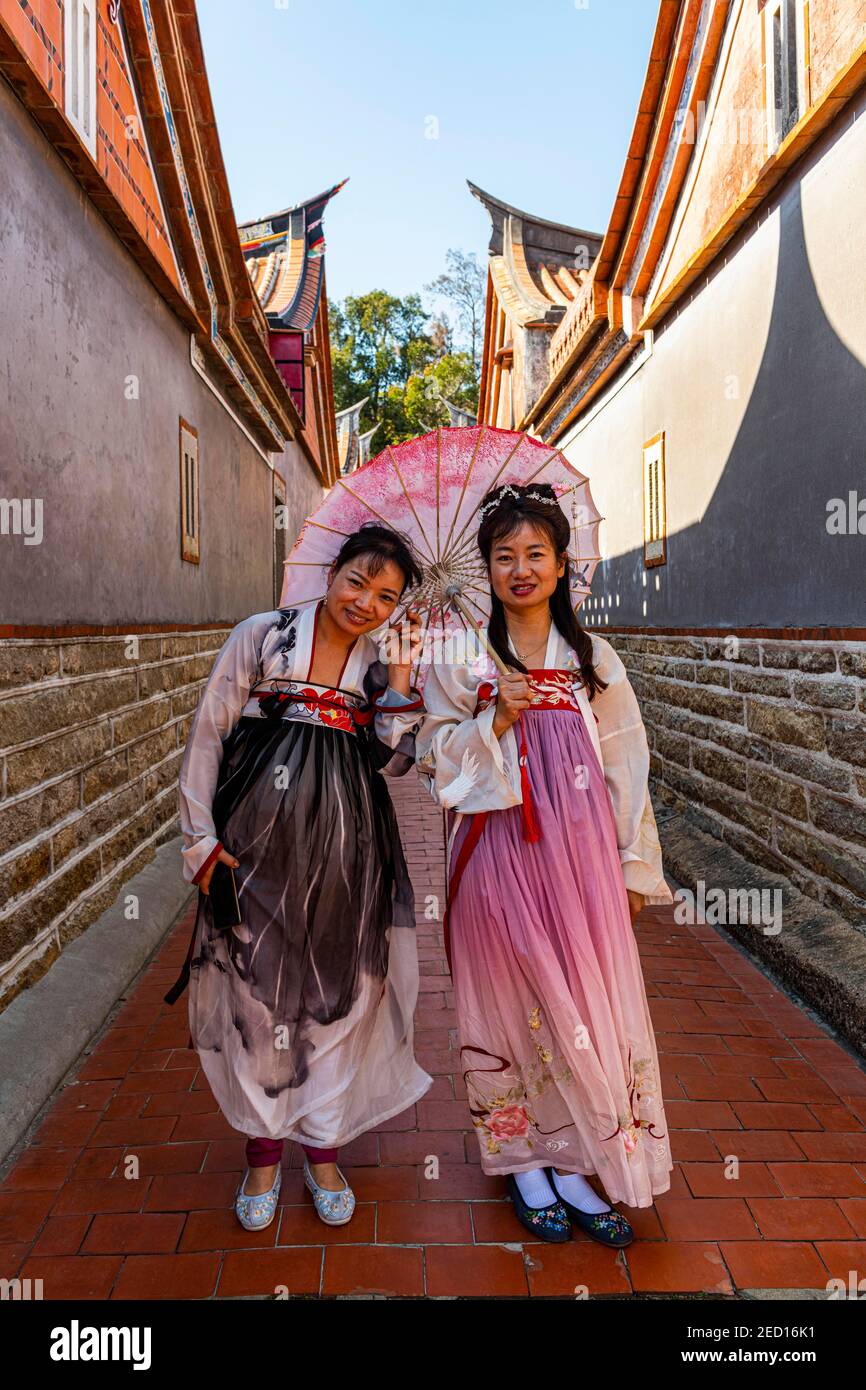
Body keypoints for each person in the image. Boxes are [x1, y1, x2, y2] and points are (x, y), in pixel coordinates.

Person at [413, 482, 674, 1247]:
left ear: (563, 567)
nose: (520, 569)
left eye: (536, 554)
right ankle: (523, 1156)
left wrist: (632, 865)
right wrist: (493, 718)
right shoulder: (462, 657)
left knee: (584, 1001)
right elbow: (430, 760)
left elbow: (629, 763)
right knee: (506, 993)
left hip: (582, 860)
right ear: (486, 570)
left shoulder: (594, 659)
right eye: (504, 557)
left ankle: (579, 1157)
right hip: (493, 853)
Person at [164, 522, 433, 1230]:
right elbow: (208, 732)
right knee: (257, 998)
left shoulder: (383, 663)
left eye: (386, 595)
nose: (366, 602)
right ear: (331, 571)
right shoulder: (262, 635)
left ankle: (322, 1151)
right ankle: (260, 1155)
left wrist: (401, 688)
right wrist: (200, 840)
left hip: (350, 854)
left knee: (340, 1001)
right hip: (256, 851)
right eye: (357, 581)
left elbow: (394, 764)